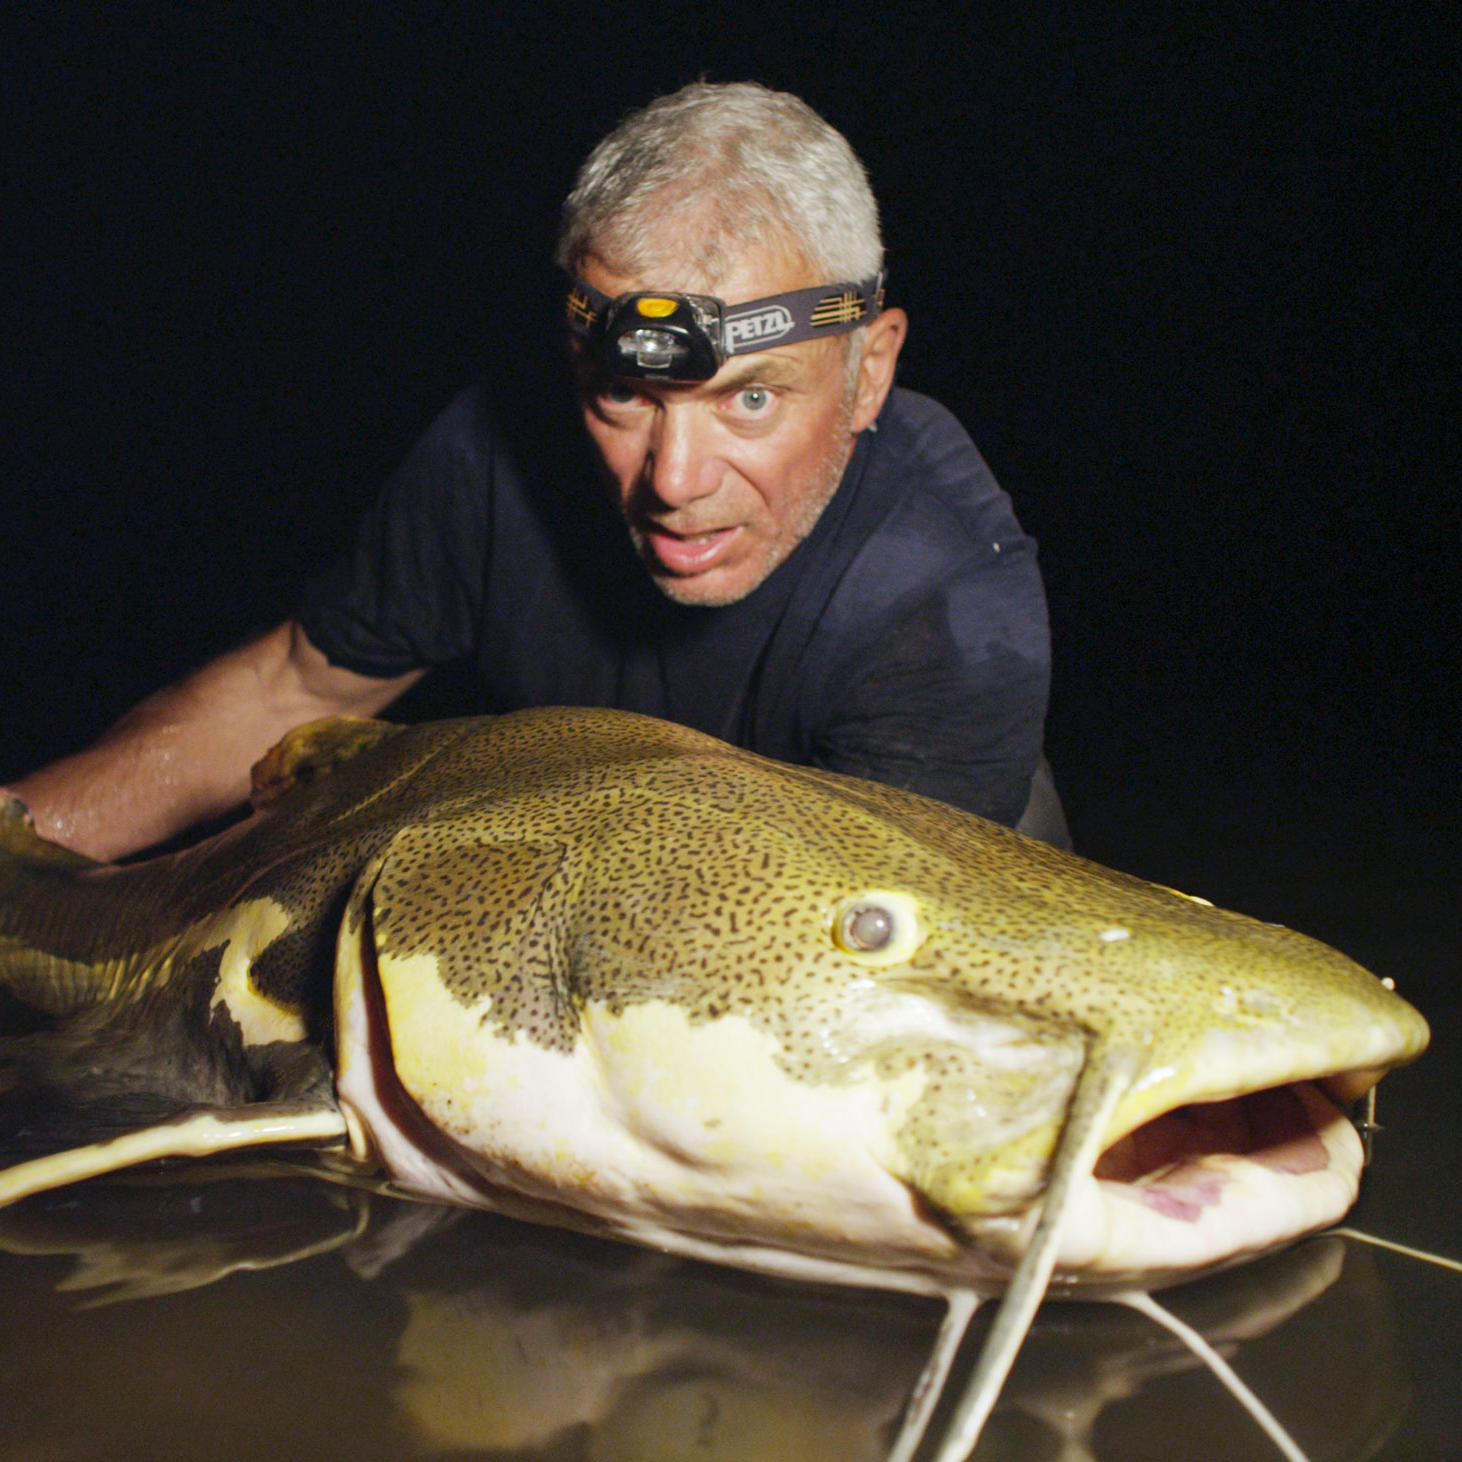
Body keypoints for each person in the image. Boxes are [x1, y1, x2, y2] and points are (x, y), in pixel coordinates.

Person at [10, 82, 1068, 862]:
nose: (675, 480)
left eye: (751, 399)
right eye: (624, 397)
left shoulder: (948, 594)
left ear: (868, 369)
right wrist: (19, 847)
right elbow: (284, 695)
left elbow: (825, 950)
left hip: (890, 886)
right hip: (569, 842)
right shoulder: (490, 456)